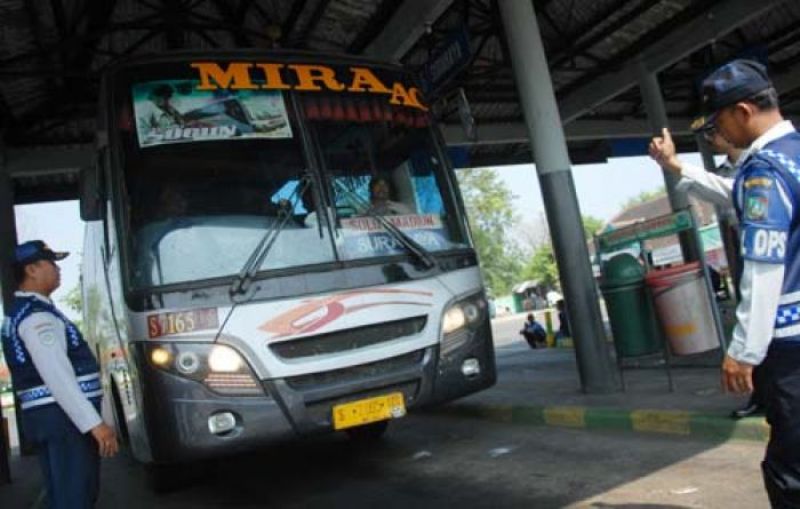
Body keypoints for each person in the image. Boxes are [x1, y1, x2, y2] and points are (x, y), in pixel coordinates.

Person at [649, 59, 800, 507]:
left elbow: (763, 266)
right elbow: (733, 192)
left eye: (719, 123)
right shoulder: (789, 156)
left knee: (792, 471)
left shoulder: (763, 172)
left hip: (791, 349)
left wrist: (743, 351)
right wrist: (678, 169)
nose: (718, 135)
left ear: (744, 111)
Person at [1, 240, 118, 508]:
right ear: (31, 269)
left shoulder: (22, 313)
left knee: (65, 492)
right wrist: (94, 424)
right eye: (51, 263)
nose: (57, 269)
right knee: (75, 495)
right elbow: (57, 377)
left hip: (53, 418)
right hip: (63, 420)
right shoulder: (37, 318)